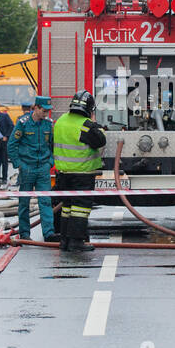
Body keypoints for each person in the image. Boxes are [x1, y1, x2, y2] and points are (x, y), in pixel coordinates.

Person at [52, 90, 107, 252]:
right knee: (80, 209)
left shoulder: (61, 121)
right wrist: (95, 123)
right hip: (82, 174)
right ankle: (76, 242)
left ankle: (65, 241)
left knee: (67, 207)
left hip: (63, 173)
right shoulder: (86, 125)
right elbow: (100, 140)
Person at [8, 97, 57, 242]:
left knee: (45, 201)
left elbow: (53, 145)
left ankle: (49, 233)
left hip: (43, 168)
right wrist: (19, 164)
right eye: (44, 111)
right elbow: (12, 145)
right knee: (24, 202)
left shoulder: (48, 124)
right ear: (36, 108)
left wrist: (50, 162)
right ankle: (24, 233)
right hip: (27, 168)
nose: (46, 114)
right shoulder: (23, 123)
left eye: (48, 111)